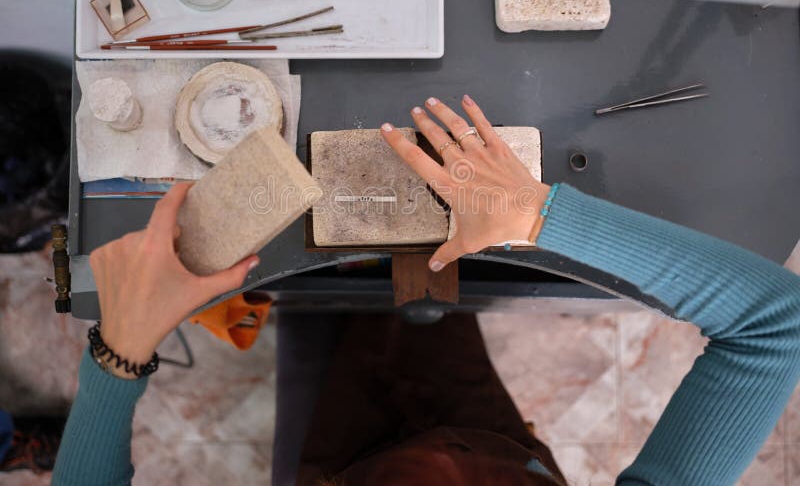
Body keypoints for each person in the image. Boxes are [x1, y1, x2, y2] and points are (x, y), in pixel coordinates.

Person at [52, 96, 800, 485]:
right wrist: (536, 215)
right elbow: (774, 328)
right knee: (427, 321)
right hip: (497, 453)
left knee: (331, 333)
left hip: (349, 465)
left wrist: (118, 354)